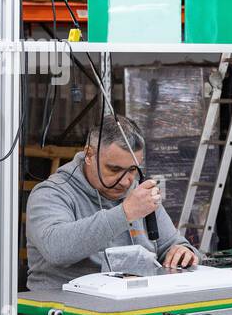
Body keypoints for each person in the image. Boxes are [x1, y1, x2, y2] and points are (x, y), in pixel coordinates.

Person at [25, 116, 198, 291]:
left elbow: (172, 244)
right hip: (67, 309)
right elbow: (57, 249)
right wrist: (124, 214)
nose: (125, 181)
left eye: (133, 170)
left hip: (134, 303)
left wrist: (183, 252)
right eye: (114, 169)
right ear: (89, 155)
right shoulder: (51, 193)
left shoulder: (139, 195)